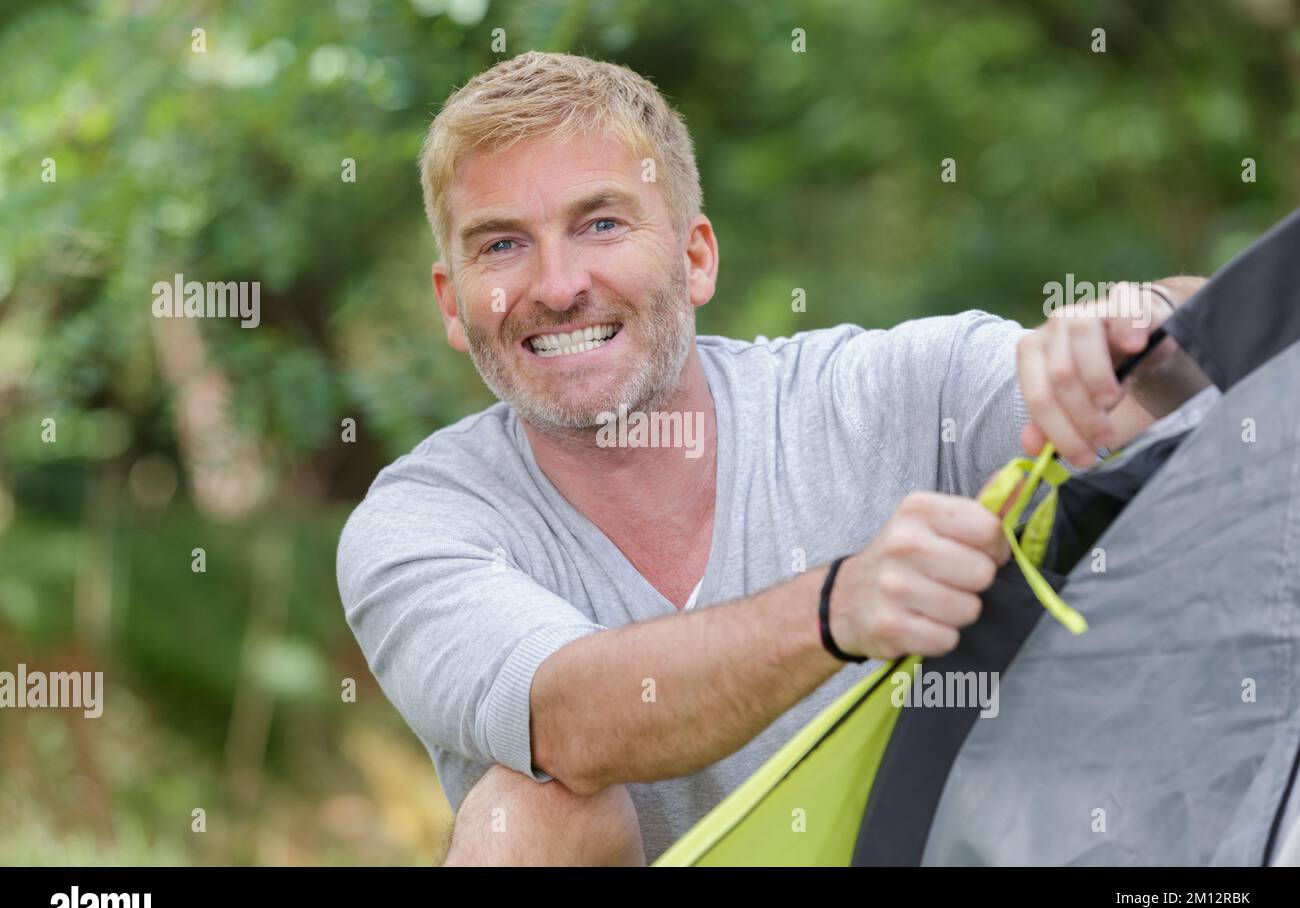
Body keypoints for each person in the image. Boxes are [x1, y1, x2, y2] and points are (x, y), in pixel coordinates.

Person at [336, 51, 1209, 865]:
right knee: (529, 816)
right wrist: (836, 608)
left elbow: (1212, 369)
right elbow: (572, 720)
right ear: (454, 305)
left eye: (600, 224)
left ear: (695, 257)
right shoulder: (420, 521)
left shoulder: (888, 390)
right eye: (501, 244)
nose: (559, 286)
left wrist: (1143, 328)